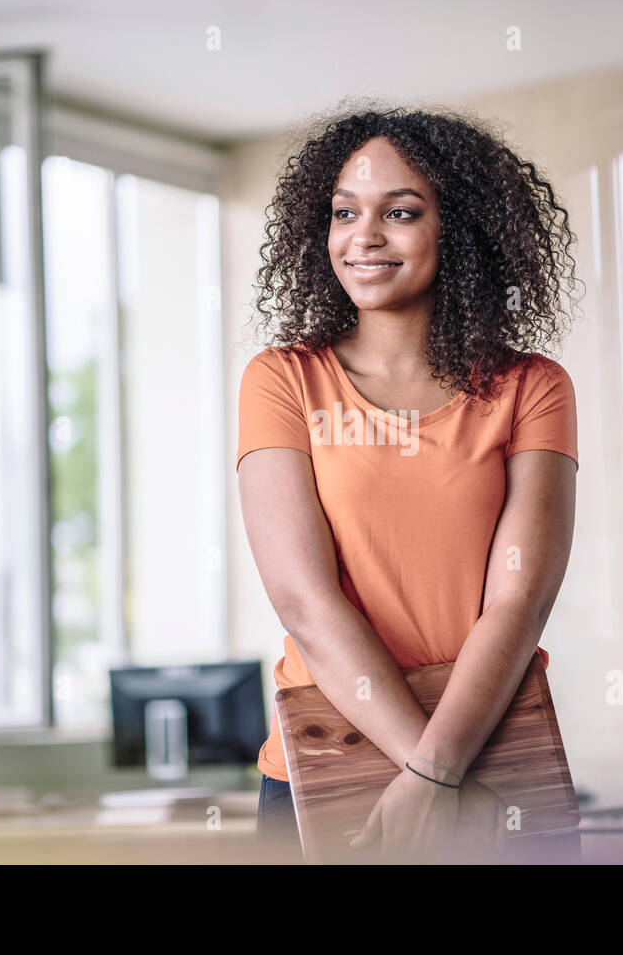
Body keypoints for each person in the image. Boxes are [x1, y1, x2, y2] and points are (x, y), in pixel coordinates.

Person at [237, 105, 581, 862]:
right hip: (327, 767)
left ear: (457, 230)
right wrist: (429, 772)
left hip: (493, 754)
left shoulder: (533, 388)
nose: (364, 236)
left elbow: (520, 601)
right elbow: (304, 598)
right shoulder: (282, 382)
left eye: (400, 212)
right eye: (343, 212)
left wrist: (436, 767)